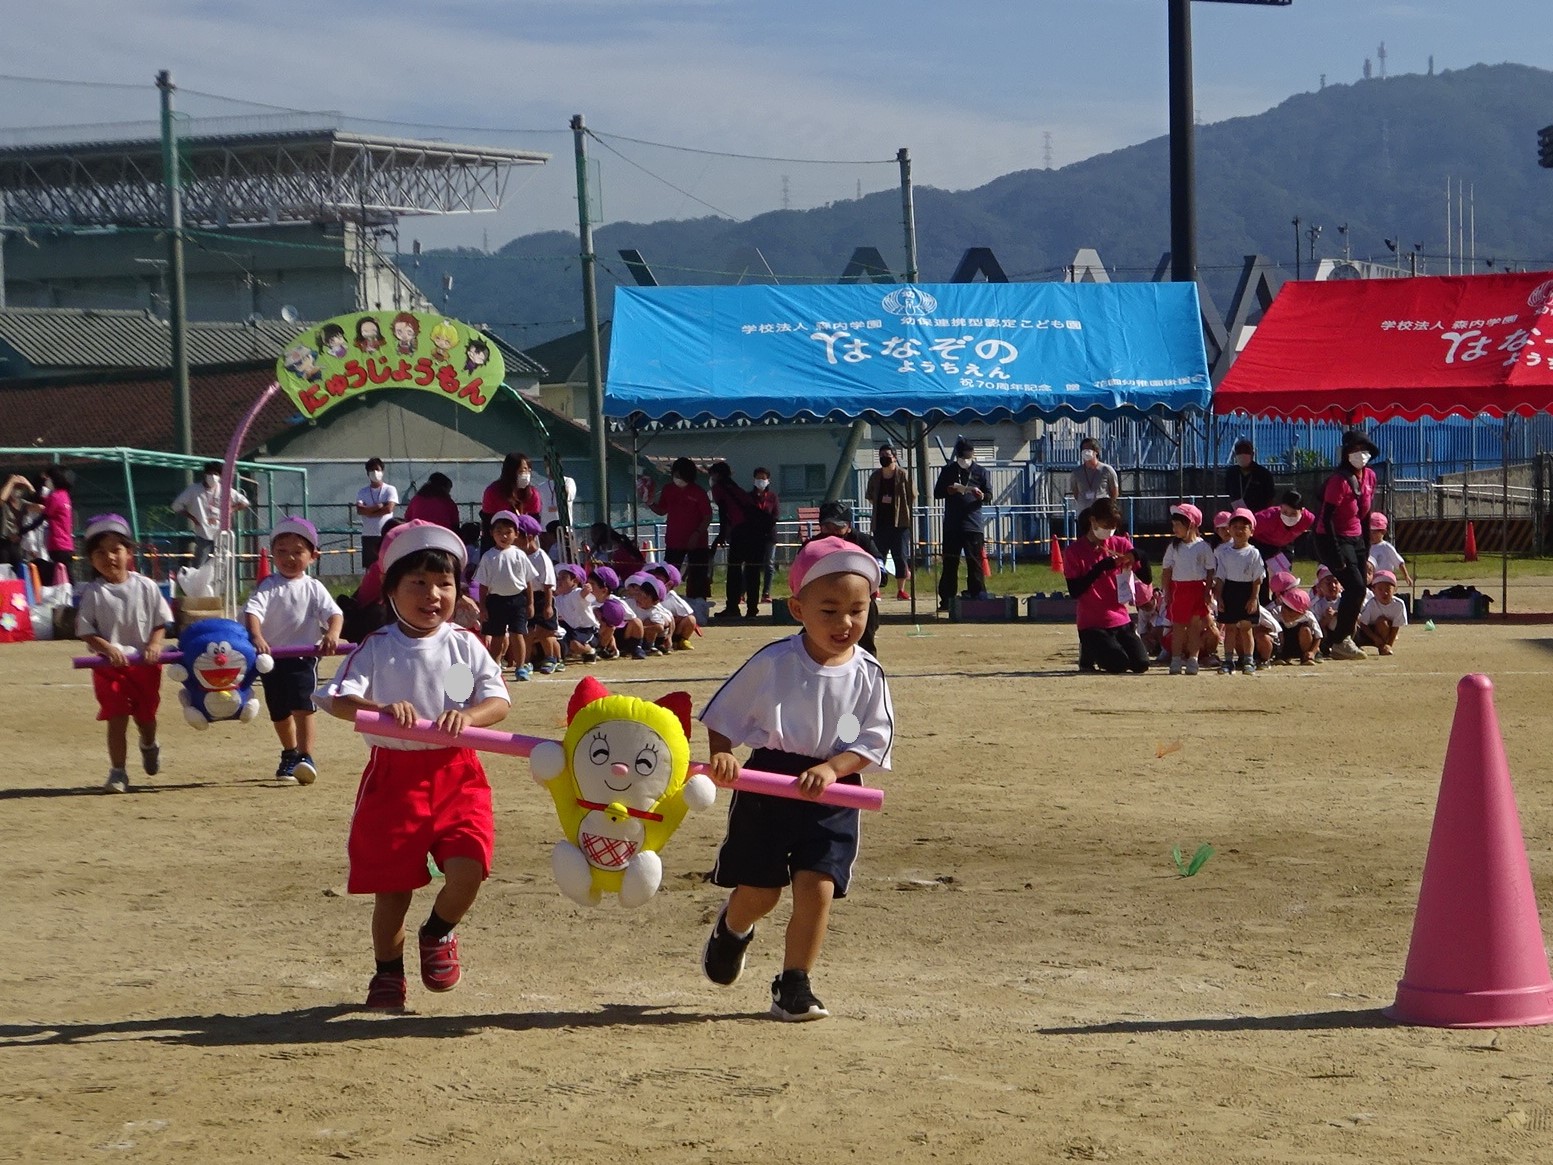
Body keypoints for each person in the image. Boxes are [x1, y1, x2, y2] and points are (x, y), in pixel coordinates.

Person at [699, 535, 894, 1021]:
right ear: (797, 608)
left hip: (833, 791)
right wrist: (723, 756)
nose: (844, 623)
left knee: (818, 885)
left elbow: (865, 738)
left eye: (856, 609)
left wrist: (833, 767)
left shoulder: (868, 675)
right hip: (769, 783)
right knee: (762, 891)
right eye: (828, 610)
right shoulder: (774, 663)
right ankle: (733, 927)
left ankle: (795, 983)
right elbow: (724, 718)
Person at [319, 521, 511, 1011]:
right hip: (394, 780)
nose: (433, 594)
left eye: (444, 583)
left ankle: (438, 932)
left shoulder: (463, 645)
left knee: (469, 868)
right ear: (390, 591)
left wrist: (467, 716)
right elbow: (339, 699)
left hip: (458, 774)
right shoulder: (378, 646)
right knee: (393, 891)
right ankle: (387, 973)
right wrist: (377, 711)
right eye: (419, 583)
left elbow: (495, 700)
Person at [242, 517, 343, 786]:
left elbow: (334, 614)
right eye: (282, 551)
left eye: (298, 551)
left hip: (302, 658)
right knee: (279, 711)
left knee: (303, 708)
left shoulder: (314, 587)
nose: (289, 558)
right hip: (272, 659)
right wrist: (258, 636)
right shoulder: (268, 585)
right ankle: (289, 753)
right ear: (273, 553)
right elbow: (253, 611)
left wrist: (332, 633)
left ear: (313, 556)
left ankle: (306, 756)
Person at [76, 514, 172, 793]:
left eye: (116, 549)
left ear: (129, 552)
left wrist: (155, 644)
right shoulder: (93, 593)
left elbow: (159, 622)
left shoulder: (146, 586)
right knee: (116, 717)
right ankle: (118, 771)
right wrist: (107, 648)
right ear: (91, 559)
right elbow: (86, 630)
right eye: (100, 552)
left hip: (144, 665)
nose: (109, 557)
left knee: (146, 718)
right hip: (109, 667)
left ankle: (149, 744)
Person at [1063, 498, 1152, 674]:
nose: (1109, 531)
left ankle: (1111, 647)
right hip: (1092, 623)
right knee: (1118, 665)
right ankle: (1088, 651)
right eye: (1106, 525)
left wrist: (1137, 555)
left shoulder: (1120, 544)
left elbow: (1146, 577)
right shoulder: (1074, 552)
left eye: (1113, 527)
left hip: (1120, 619)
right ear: (1093, 521)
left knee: (1141, 664)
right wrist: (1100, 568)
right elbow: (1075, 591)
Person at [1314, 430, 1379, 660]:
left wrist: (1367, 545)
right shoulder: (1338, 481)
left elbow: (1366, 512)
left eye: (1364, 450)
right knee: (1355, 587)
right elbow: (1327, 518)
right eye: (1354, 450)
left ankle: (1336, 640)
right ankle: (1341, 639)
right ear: (1346, 453)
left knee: (1361, 588)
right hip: (1333, 537)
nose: (1360, 455)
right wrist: (1336, 554)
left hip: (1357, 537)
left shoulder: (1370, 476)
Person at [471, 510, 539, 678]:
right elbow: (483, 585)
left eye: (508, 532)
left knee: (518, 634)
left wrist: (530, 603)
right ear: (491, 534)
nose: (504, 536)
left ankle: (521, 667)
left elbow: (528, 581)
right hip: (495, 601)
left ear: (516, 534)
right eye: (499, 532)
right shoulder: (488, 557)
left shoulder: (520, 555)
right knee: (497, 636)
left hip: (517, 600)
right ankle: (495, 667)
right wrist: (483, 607)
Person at [812, 501, 882, 657]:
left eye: (838, 527)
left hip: (858, 602)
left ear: (849, 526)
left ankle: (869, 667)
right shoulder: (811, 546)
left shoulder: (864, 542)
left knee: (866, 634)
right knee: (810, 638)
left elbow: (881, 574)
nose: (832, 533)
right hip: (824, 603)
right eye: (827, 527)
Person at [933, 437, 991, 610]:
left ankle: (977, 595)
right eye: (962, 457)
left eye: (968, 457)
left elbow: (988, 495)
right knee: (950, 563)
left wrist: (981, 495)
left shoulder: (981, 471)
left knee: (975, 562)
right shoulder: (948, 470)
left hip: (973, 524)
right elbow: (937, 493)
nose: (965, 461)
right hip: (952, 525)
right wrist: (948, 490)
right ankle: (947, 599)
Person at [709, 461, 772, 620]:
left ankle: (732, 607)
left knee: (734, 571)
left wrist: (721, 534)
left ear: (716, 474)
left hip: (742, 531)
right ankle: (752, 609)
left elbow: (724, 513)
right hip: (757, 533)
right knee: (753, 572)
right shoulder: (735, 488)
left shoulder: (719, 488)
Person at [647, 458, 714, 601]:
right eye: (675, 474)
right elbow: (662, 510)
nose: (677, 478)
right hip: (674, 540)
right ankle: (663, 600)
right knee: (667, 573)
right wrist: (650, 502)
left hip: (697, 542)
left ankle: (698, 603)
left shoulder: (698, 492)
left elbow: (707, 516)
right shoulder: (668, 489)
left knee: (698, 575)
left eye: (680, 475)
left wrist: (697, 534)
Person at [1161, 502, 1214, 676]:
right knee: (1178, 627)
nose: (1175, 528)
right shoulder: (1173, 547)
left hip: (1197, 590)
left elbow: (1210, 570)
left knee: (1194, 628)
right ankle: (1176, 659)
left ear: (1191, 524)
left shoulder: (1203, 547)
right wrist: (1166, 592)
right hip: (1179, 591)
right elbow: (1167, 571)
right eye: (1173, 524)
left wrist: (1207, 592)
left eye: (1178, 524)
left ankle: (1193, 659)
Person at [1212, 507, 1265, 676]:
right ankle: (1228, 660)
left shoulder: (1254, 553)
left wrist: (1253, 599)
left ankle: (1248, 660)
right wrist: (1219, 597)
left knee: (1246, 628)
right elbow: (1220, 578)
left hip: (1246, 591)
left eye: (1244, 527)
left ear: (1251, 531)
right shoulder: (1224, 553)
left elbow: (1257, 579)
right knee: (1230, 628)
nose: (1239, 530)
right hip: (1230, 591)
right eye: (1235, 527)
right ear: (1230, 529)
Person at [172, 462, 250, 569]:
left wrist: (230, 510)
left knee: (222, 564)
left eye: (216, 474)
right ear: (205, 474)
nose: (213, 477)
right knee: (199, 563)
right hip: (203, 532)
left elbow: (244, 502)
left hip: (221, 533)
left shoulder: (224, 490)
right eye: (210, 473)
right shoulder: (194, 490)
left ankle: (218, 584)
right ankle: (197, 583)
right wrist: (192, 517)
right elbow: (176, 506)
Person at [864, 444, 915, 601]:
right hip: (880, 524)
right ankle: (876, 590)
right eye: (881, 455)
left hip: (900, 524)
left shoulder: (903, 475)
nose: (884, 458)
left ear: (894, 457)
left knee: (900, 556)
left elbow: (912, 495)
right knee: (879, 558)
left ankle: (901, 590)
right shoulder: (875, 476)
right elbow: (870, 496)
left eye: (887, 455)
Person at [479, 453, 543, 551]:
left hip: (524, 543)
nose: (526, 475)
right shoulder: (493, 491)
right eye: (522, 471)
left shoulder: (532, 493)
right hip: (497, 543)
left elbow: (535, 522)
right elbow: (487, 523)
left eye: (528, 471)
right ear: (511, 472)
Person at [28, 466, 78, 582]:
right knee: (65, 573)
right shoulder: (64, 496)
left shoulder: (55, 496)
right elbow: (42, 499)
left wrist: (23, 530)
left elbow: (42, 516)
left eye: (49, 478)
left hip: (57, 544)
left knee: (63, 575)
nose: (47, 481)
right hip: (67, 544)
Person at [1251, 490, 1315, 576]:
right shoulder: (1268, 517)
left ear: (1302, 510)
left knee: (1284, 578)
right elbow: (1246, 526)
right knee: (1261, 575)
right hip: (1260, 543)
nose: (1288, 516)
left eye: (1293, 513)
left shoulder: (1309, 519)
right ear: (1280, 507)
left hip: (1284, 545)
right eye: (1285, 512)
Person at [355, 457, 399, 570]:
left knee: (387, 564)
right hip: (368, 534)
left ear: (382, 471)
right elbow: (360, 509)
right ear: (367, 473)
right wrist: (378, 507)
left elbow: (389, 508)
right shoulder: (362, 491)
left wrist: (369, 512)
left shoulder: (390, 489)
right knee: (370, 567)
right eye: (371, 470)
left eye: (377, 469)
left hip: (386, 534)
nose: (375, 473)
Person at [553, 563, 600, 662]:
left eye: (564, 578)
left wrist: (586, 590)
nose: (559, 581)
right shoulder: (558, 599)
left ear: (575, 581)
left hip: (587, 629)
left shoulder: (576, 592)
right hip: (570, 628)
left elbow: (582, 595)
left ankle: (590, 651)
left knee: (575, 644)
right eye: (558, 578)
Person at [1356, 569, 1408, 655]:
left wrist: (1389, 644)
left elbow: (1396, 626)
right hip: (1368, 633)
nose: (1384, 593)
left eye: (1388, 589)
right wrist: (1375, 638)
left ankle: (1384, 648)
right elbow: (1363, 624)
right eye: (1380, 589)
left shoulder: (1399, 604)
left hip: (1386, 631)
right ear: (1373, 590)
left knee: (1383, 622)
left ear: (1395, 589)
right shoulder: (1371, 604)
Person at [750, 467, 781, 604]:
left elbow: (775, 515)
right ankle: (743, 593)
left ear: (768, 480)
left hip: (769, 535)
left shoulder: (773, 497)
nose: (760, 481)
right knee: (752, 565)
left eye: (763, 478)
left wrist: (764, 521)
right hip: (754, 535)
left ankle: (766, 593)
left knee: (769, 564)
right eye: (758, 478)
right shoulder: (749, 497)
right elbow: (749, 514)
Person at [1271, 586, 1321, 666]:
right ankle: (1280, 655)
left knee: (1305, 630)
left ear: (1301, 613)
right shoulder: (1275, 613)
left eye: (1292, 615)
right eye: (1285, 608)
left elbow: (1318, 636)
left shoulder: (1308, 616)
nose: (1287, 615)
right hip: (1283, 645)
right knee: (1278, 631)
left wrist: (1312, 652)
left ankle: (1305, 657)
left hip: (1300, 646)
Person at [1224, 439, 1277, 514]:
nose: (1243, 454)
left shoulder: (1263, 473)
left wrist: (1265, 515)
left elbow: (1271, 497)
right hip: (1237, 516)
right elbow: (1229, 494)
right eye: (1239, 452)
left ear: (1252, 454)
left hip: (1258, 516)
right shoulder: (1231, 473)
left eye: (1246, 451)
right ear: (1235, 455)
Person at [1068, 437, 1119, 510]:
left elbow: (1114, 492)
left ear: (1096, 451)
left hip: (1102, 511)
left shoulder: (1107, 470)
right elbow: (1076, 492)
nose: (1086, 452)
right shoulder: (1076, 472)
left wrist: (1109, 507)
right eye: (1083, 449)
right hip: (1084, 512)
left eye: (1088, 449)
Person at [1367, 513, 1414, 589]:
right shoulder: (1366, 547)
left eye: (1374, 532)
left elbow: (1399, 562)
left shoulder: (1386, 547)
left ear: (1384, 532)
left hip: (1384, 579)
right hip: (1371, 581)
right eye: (1369, 532)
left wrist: (1406, 576)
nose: (1371, 535)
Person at [0, 472, 31, 576]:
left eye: (19, 488)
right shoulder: (4, 502)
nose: (17, 491)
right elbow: (1, 499)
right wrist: (11, 481)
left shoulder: (23, 503)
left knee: (19, 571)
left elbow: (41, 507)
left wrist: (29, 486)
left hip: (16, 544)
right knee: (3, 571)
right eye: (15, 487)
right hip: (3, 542)